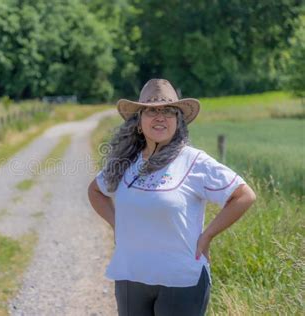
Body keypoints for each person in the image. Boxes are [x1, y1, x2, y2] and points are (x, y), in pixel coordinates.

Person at [87, 79, 256, 316]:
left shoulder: (195, 161)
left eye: (168, 111)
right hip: (130, 275)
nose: (160, 117)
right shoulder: (125, 162)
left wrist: (207, 236)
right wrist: (118, 226)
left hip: (181, 280)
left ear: (178, 121)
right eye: (151, 111)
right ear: (138, 122)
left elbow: (243, 196)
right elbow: (95, 191)